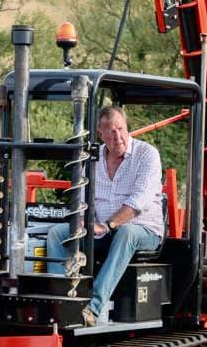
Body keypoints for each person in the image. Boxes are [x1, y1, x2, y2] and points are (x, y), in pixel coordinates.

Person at [45, 106, 163, 326]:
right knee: (56, 233)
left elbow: (139, 202)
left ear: (127, 128)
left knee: (126, 232)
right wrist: (80, 219)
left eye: (120, 129)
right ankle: (59, 301)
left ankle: (93, 307)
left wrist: (108, 225)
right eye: (111, 131)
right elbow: (80, 195)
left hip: (143, 230)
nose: (117, 136)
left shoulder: (147, 155)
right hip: (101, 229)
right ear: (101, 134)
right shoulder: (92, 159)